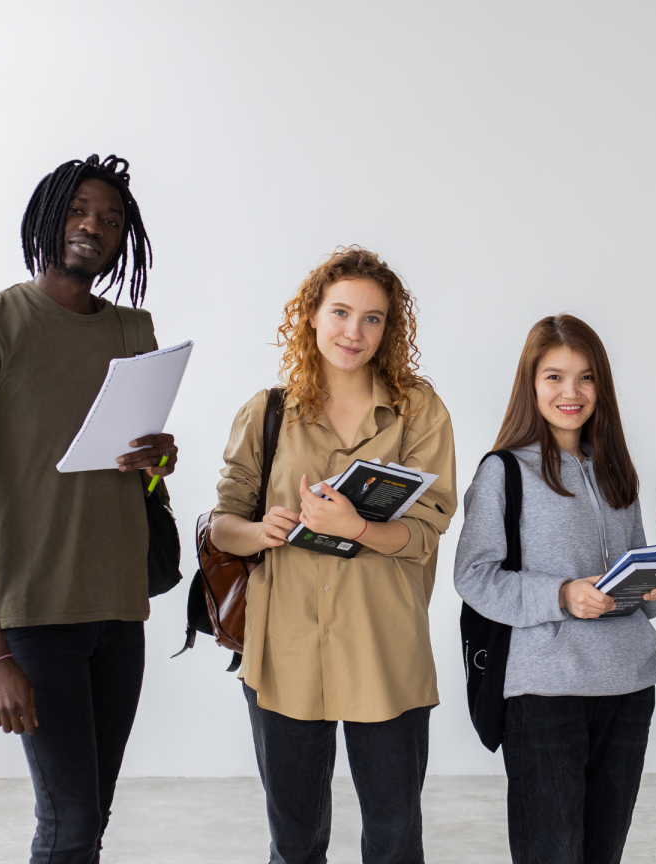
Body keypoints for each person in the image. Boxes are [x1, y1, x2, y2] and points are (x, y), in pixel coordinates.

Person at [0, 154, 176, 863]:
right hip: (35, 616)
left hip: (119, 609)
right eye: (77, 210)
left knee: (88, 816)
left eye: (111, 218)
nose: (93, 226)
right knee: (68, 824)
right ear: (46, 216)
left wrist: (158, 460)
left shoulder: (134, 330)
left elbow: (141, 480)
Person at [208, 247, 456, 864]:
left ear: (388, 329)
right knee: (293, 844)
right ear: (312, 315)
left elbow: (428, 531)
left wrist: (356, 527)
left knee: (395, 842)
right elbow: (222, 525)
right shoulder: (266, 412)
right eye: (341, 312)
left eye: (373, 319)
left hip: (383, 645)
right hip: (284, 649)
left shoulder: (418, 410)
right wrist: (261, 530)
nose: (354, 332)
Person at [454, 314, 656, 864]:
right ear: (530, 384)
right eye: (554, 377)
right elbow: (474, 576)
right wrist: (560, 594)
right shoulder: (503, 471)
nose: (571, 393)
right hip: (544, 694)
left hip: (628, 687)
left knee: (604, 853)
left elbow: (629, 578)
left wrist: (654, 591)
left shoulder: (616, 470)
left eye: (585, 377)